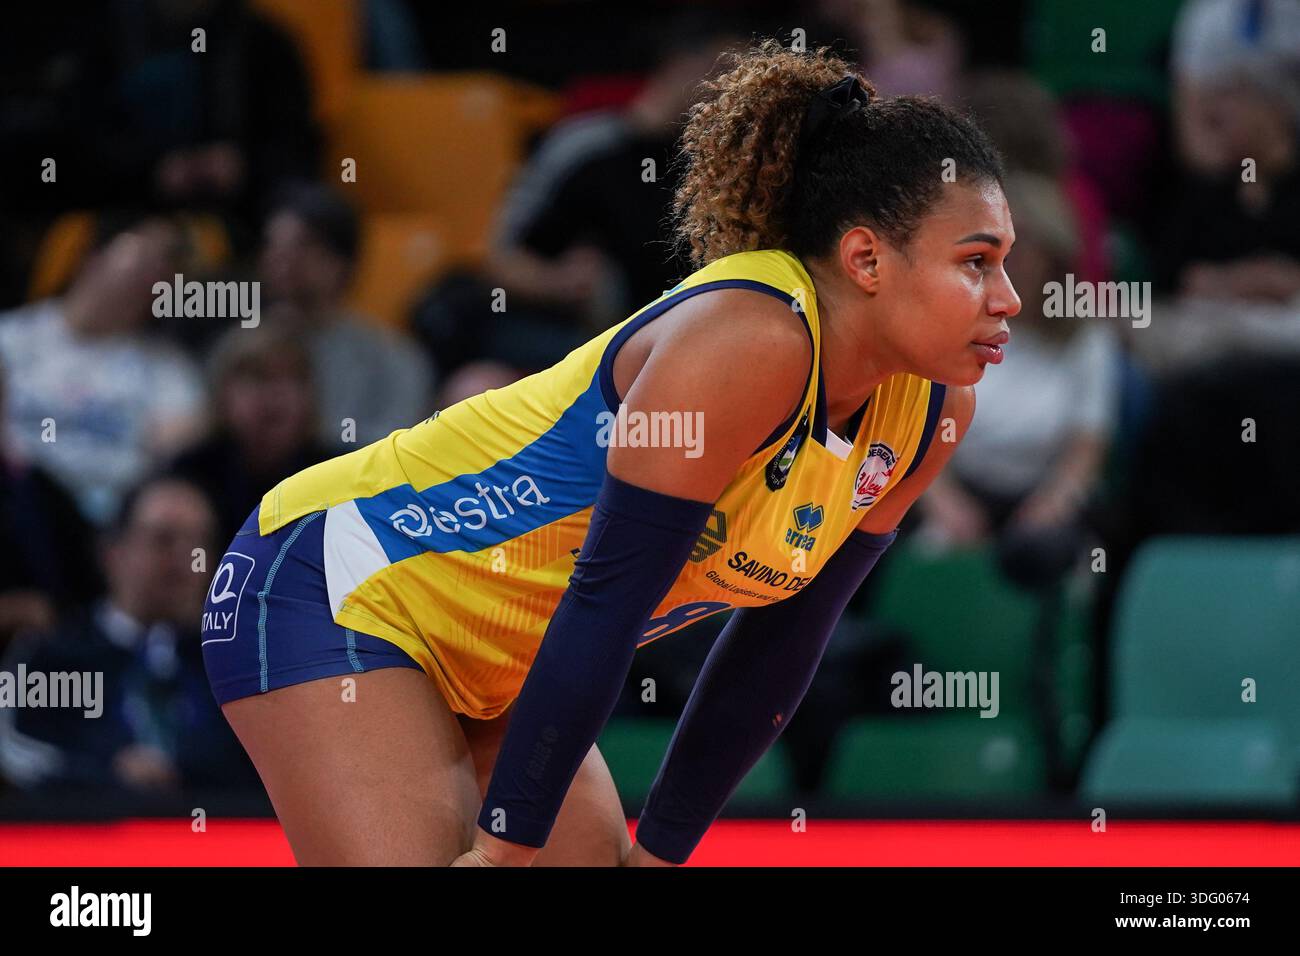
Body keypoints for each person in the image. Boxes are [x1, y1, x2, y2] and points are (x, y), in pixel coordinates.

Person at [201, 40, 1020, 866]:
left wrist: (661, 852)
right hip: (338, 577)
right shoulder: (754, 337)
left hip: (505, 659)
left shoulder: (932, 414)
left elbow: (780, 647)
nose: (1009, 298)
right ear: (867, 259)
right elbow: (605, 603)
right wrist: (502, 854)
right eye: (976, 263)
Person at [0, 477, 258, 793]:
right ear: (113, 552)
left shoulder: (232, 662)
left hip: (216, 837)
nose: (186, 559)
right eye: (164, 540)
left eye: (200, 544)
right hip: (84, 834)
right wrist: (107, 772)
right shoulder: (53, 654)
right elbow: (16, 752)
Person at [0, 215, 206, 526]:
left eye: (168, 267)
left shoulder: (168, 371)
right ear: (93, 258)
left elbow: (172, 457)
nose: (155, 271)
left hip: (103, 528)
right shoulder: (11, 337)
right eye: (142, 254)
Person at [258, 183, 435, 447]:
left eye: (302, 245)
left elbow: (397, 452)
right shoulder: (239, 350)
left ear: (341, 262)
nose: (281, 258)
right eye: (273, 244)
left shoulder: (393, 359)